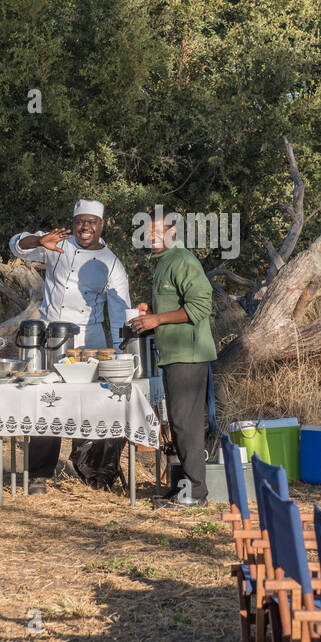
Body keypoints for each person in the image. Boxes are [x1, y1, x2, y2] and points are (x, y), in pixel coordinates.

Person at [9, 199, 131, 493]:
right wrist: (40, 239)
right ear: (73, 222)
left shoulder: (112, 263)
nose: (84, 227)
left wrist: (120, 352)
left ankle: (93, 472)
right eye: (80, 221)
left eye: (91, 222)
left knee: (89, 406)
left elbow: (118, 311)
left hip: (89, 344)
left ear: (101, 225)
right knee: (45, 401)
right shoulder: (56, 244)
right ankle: (39, 473)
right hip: (50, 338)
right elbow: (16, 246)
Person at [130, 210, 216, 506]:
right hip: (172, 354)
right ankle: (185, 486)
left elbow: (201, 305)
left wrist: (156, 320)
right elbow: (172, 305)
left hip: (188, 354)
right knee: (178, 422)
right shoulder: (163, 262)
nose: (153, 237)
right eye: (149, 232)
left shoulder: (183, 260)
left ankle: (196, 492)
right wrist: (148, 311)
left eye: (159, 231)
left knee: (186, 423)